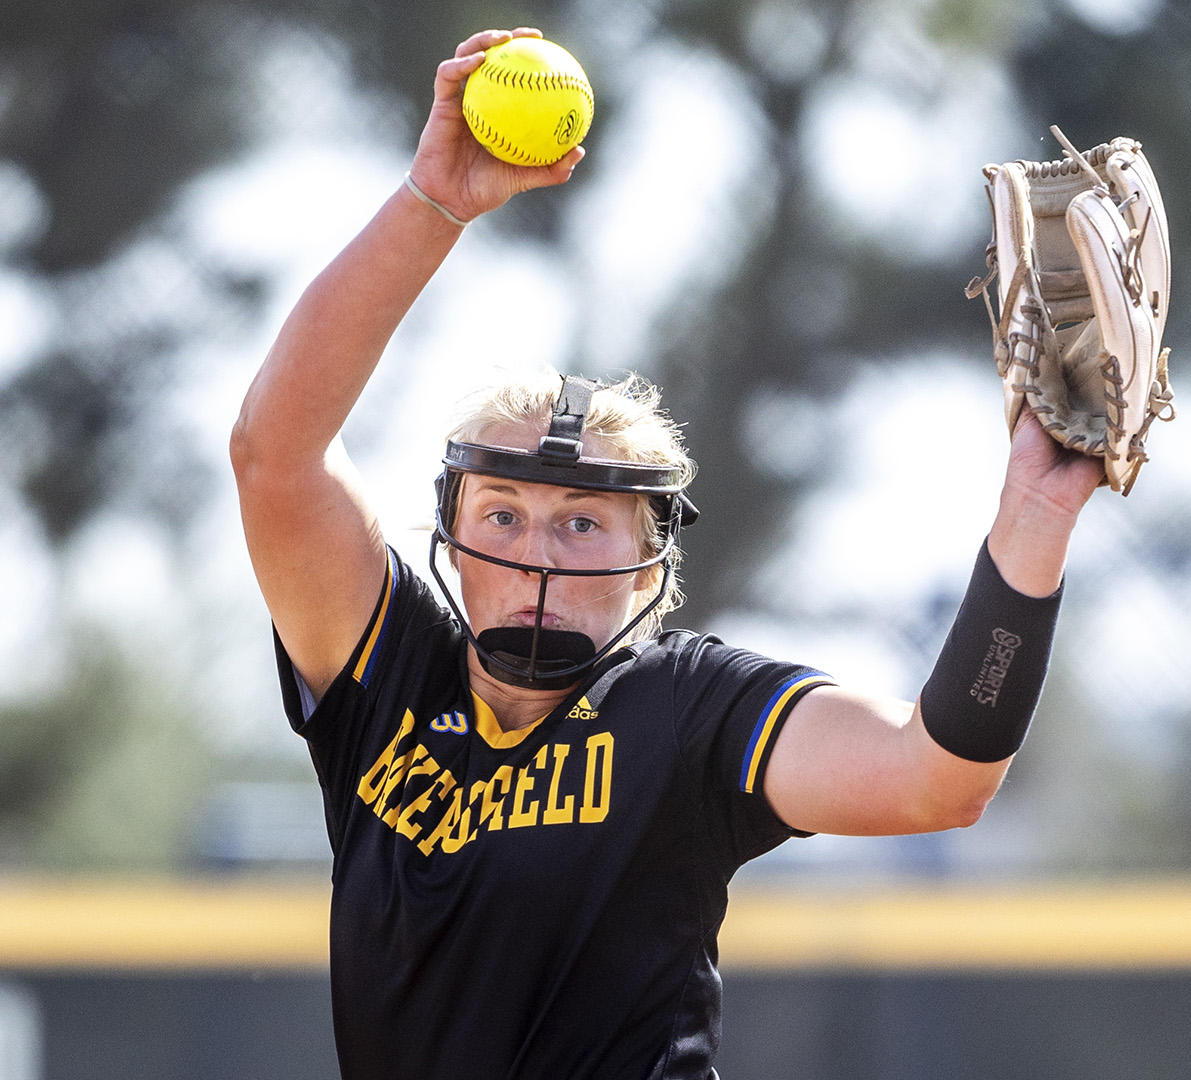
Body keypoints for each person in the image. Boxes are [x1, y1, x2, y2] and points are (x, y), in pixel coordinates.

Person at [229, 27, 1104, 1080]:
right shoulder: (391, 686)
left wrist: (1034, 518)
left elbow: (934, 779)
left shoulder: (687, 711)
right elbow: (274, 454)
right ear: (452, 543)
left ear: (650, 571)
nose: (540, 553)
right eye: (504, 514)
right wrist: (433, 206)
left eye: (584, 521)